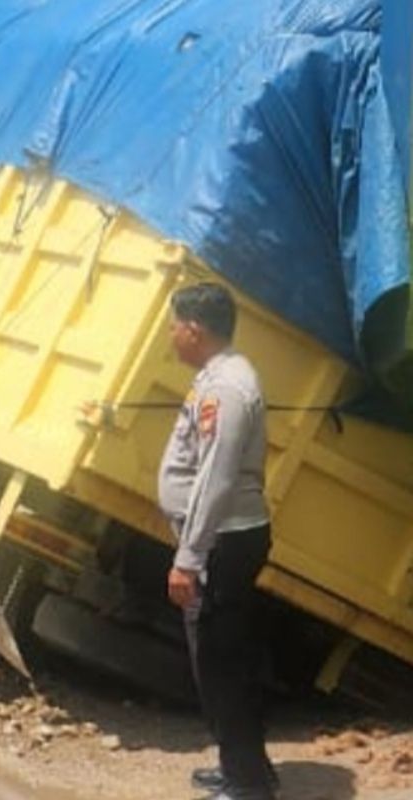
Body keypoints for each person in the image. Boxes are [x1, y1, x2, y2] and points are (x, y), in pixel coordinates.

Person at [157, 283, 275, 800]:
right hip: (221, 542)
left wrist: (189, 557)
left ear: (194, 329)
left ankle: (247, 784)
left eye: (173, 325)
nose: (170, 335)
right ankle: (243, 765)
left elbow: (217, 478)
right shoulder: (217, 376)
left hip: (222, 545)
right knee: (223, 657)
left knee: (221, 662)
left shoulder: (226, 388)